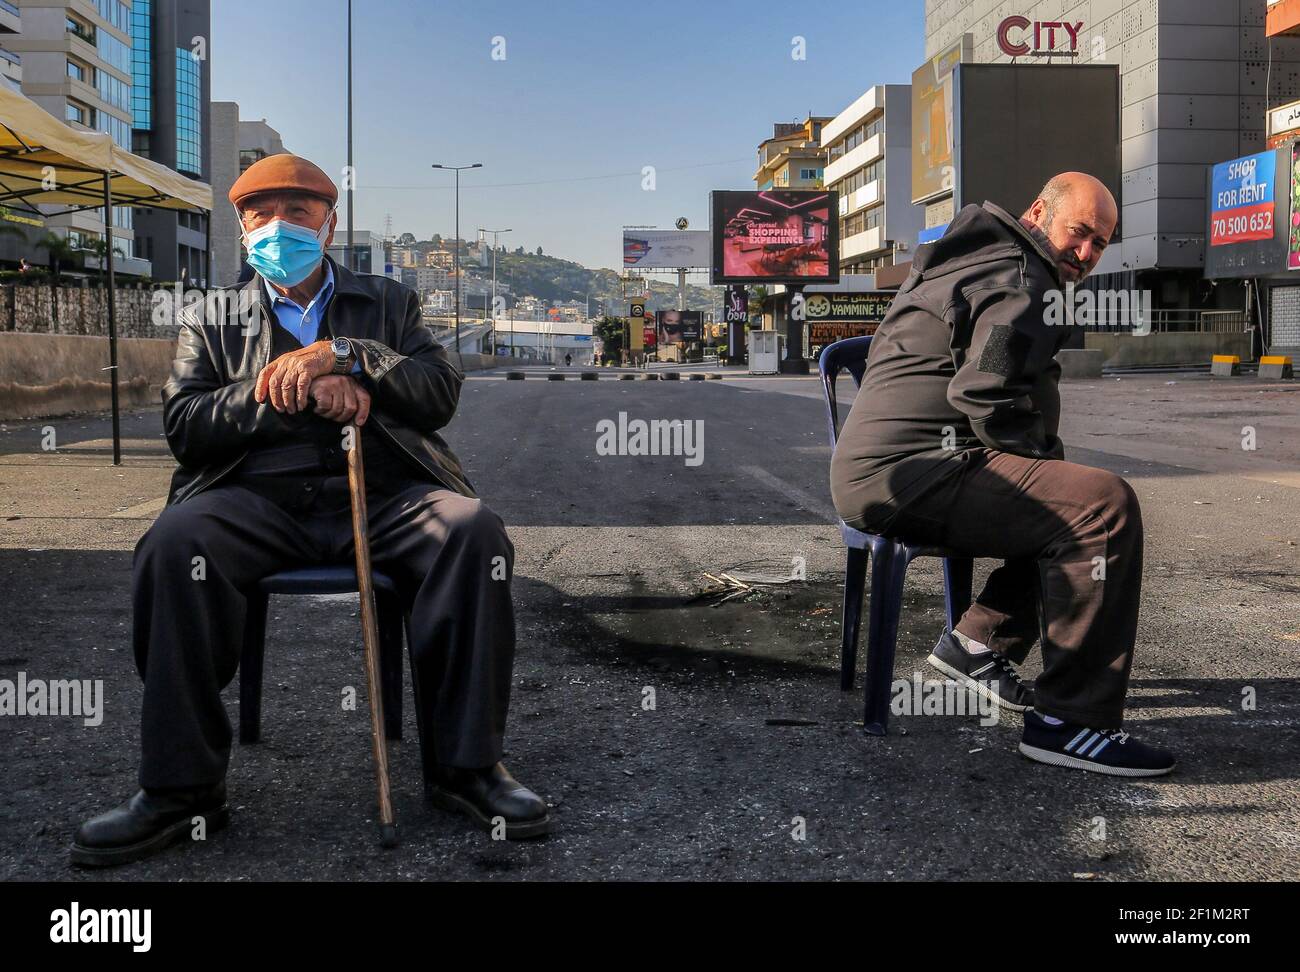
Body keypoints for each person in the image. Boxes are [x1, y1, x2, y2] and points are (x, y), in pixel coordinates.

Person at [72, 154, 549, 867]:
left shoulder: (388, 301)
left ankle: (468, 768)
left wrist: (351, 358)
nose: (280, 226)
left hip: (385, 496)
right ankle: (182, 791)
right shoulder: (213, 316)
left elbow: (436, 392)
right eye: (262, 214)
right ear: (241, 226)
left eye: (299, 212)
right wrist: (284, 391)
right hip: (257, 500)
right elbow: (186, 428)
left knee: (473, 533)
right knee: (175, 542)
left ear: (328, 226)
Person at [830, 172, 1175, 777]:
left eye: (1101, 243)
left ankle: (977, 644)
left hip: (886, 471)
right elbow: (986, 393)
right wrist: (1045, 465)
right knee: (1100, 507)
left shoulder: (979, 258)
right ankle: (1072, 723)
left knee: (1065, 498)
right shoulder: (1023, 279)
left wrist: (1045, 467)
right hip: (910, 474)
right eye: (1080, 233)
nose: (1088, 254)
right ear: (1040, 211)